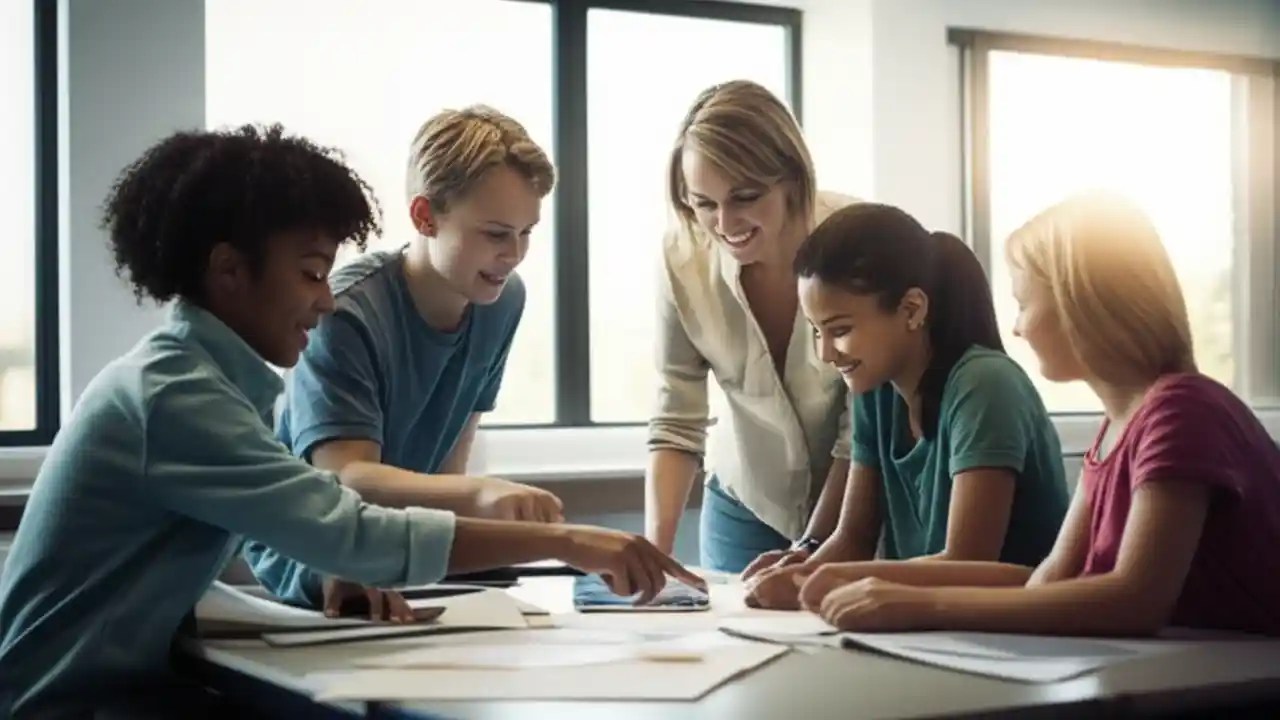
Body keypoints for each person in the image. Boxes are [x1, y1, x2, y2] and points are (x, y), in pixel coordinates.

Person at [0, 125, 703, 719]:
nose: (326, 302)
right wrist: (572, 542)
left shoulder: (203, 380)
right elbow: (350, 525)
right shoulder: (175, 397)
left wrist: (321, 573)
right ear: (229, 271)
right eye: (310, 274)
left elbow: (270, 519)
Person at [798, 192, 1280, 636]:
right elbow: (1049, 580)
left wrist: (921, 604)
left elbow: (1137, 600)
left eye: (1025, 304)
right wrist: (858, 578)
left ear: (1082, 304)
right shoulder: (1117, 428)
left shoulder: (1181, 411)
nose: (1018, 328)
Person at [245, 105, 566, 612]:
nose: (515, 254)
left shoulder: (502, 299)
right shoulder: (346, 314)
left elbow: (452, 459)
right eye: (496, 233)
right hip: (316, 554)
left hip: (407, 548)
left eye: (527, 232)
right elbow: (347, 477)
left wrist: (467, 511)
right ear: (424, 216)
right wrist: (480, 495)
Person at [745, 202, 1069, 609]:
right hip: (927, 627)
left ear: (912, 310)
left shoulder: (985, 384)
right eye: (815, 331)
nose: (826, 353)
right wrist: (798, 571)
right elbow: (853, 538)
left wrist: (812, 583)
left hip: (1011, 631)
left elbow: (967, 562)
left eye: (840, 330)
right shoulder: (873, 390)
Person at [645, 79, 859, 573]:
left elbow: (861, 427)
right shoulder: (681, 257)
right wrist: (653, 557)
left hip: (852, 504)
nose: (725, 222)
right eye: (703, 202)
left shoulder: (856, 236)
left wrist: (810, 550)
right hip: (745, 503)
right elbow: (677, 414)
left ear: (791, 178)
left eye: (745, 196)